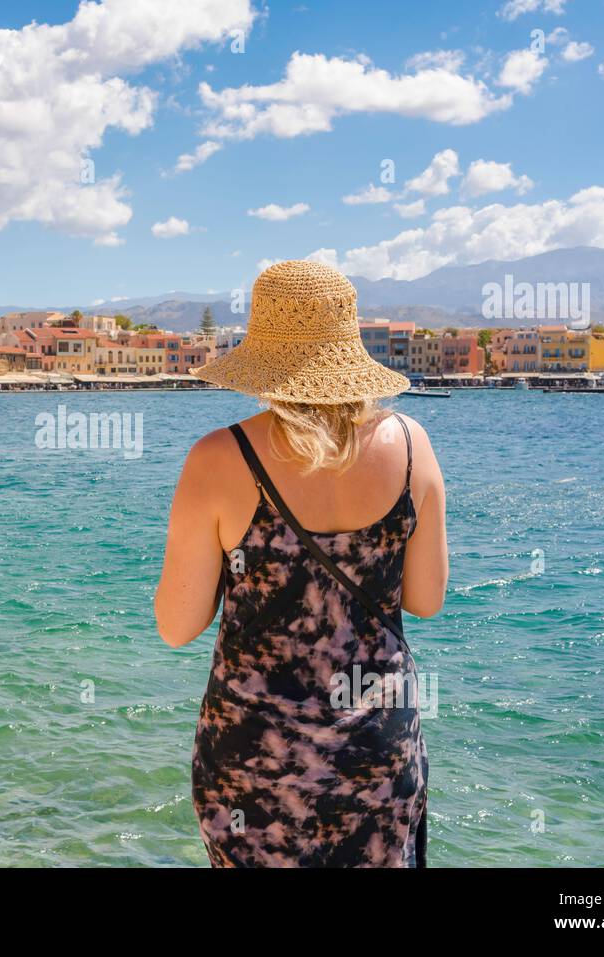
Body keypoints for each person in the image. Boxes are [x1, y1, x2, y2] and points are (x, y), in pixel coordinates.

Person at [155, 260, 448, 867]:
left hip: (257, 761)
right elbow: (425, 599)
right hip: (378, 753)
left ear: (262, 355)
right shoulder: (414, 444)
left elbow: (176, 625)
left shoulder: (219, 456)